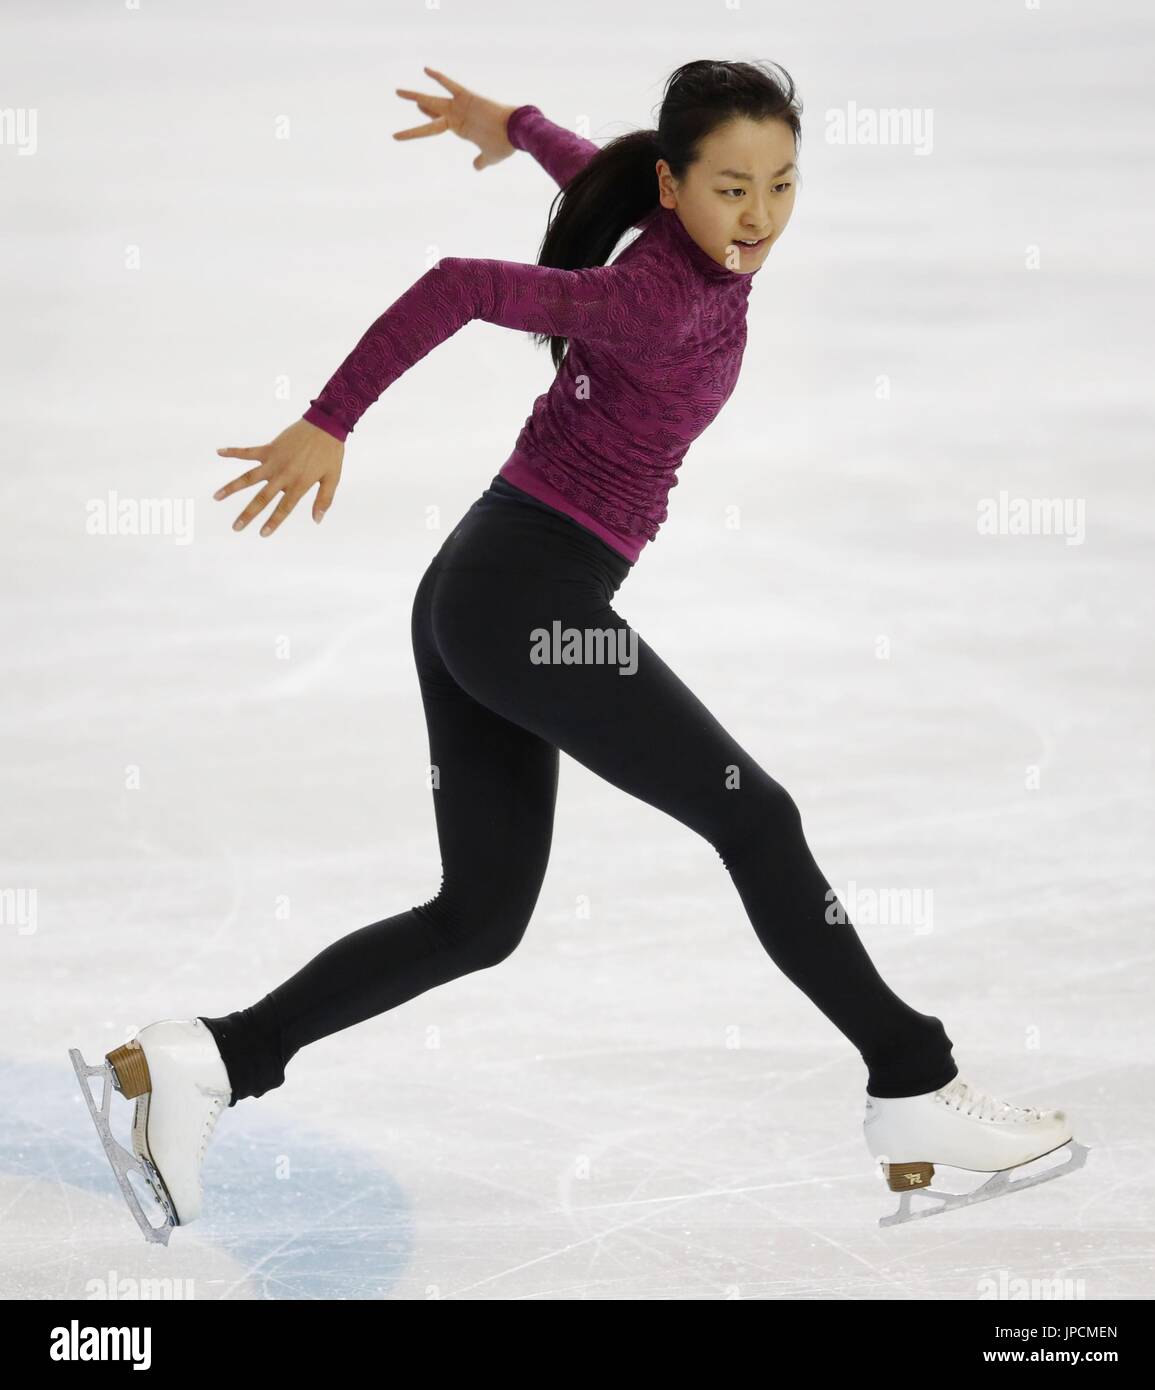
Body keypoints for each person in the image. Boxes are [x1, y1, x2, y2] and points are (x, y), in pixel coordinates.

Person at [75, 61, 1075, 1236]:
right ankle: (912, 1078)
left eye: (782, 185)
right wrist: (329, 417)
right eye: (730, 188)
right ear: (677, 183)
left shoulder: (680, 233)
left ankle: (214, 1057)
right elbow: (456, 285)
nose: (757, 218)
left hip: (482, 585)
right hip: (524, 603)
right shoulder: (652, 295)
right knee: (755, 817)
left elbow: (588, 172)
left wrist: (512, 124)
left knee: (479, 918)